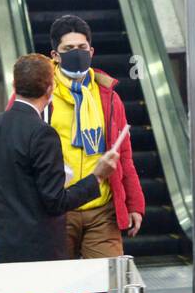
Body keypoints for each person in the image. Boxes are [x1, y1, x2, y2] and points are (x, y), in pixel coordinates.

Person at [0, 54, 120, 263]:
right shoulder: (43, 133)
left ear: (15, 85)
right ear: (50, 88)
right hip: (40, 249)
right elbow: (55, 202)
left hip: (3, 245)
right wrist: (96, 177)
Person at [45, 14, 145, 258]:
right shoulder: (41, 94)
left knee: (107, 287)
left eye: (81, 48)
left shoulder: (108, 97)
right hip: (57, 210)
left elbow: (124, 157)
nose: (76, 53)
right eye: (68, 49)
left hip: (102, 209)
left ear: (91, 51)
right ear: (55, 56)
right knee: (59, 290)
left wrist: (134, 204)